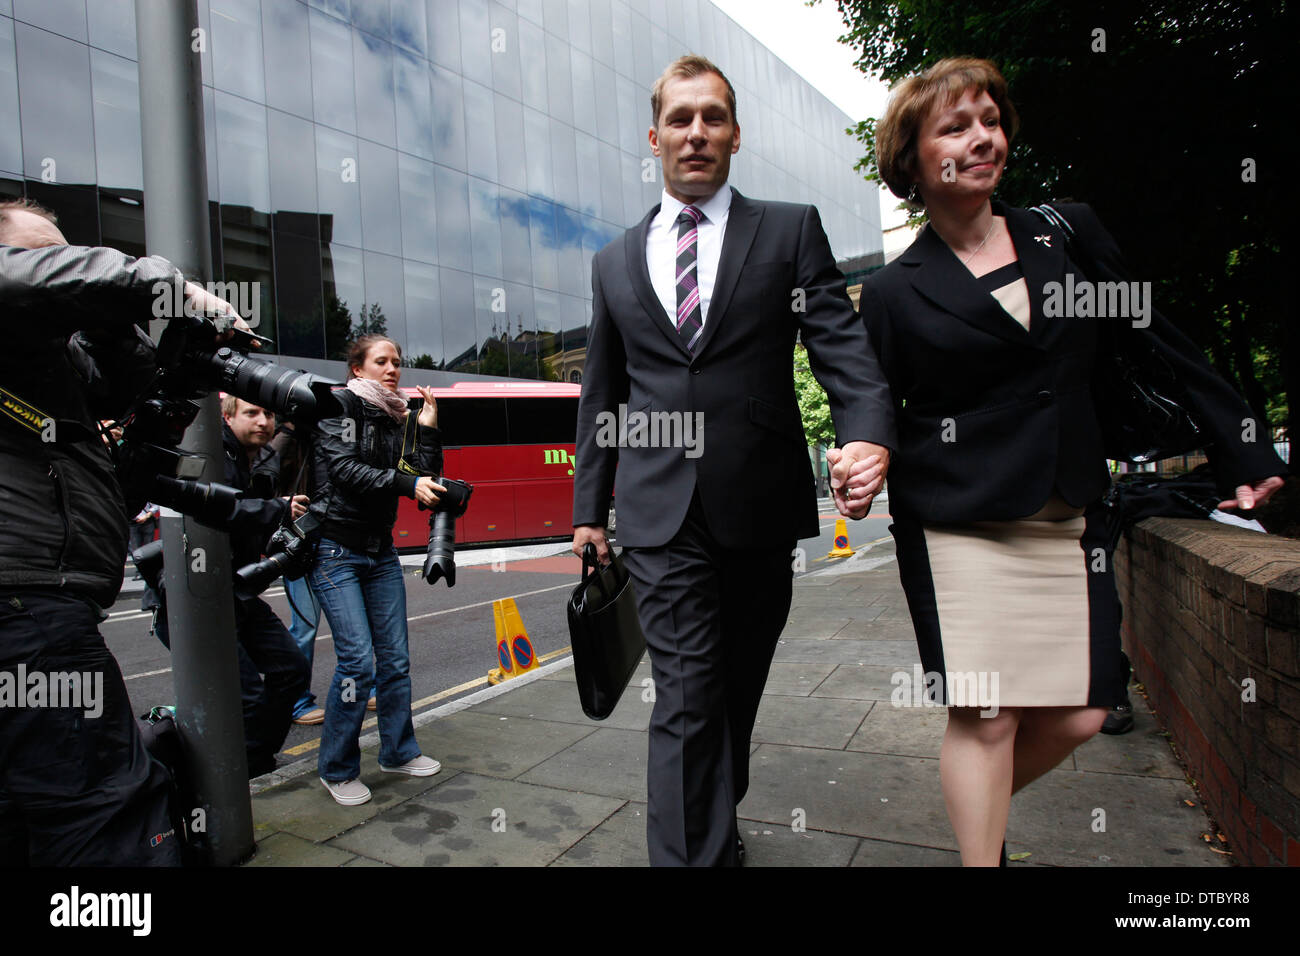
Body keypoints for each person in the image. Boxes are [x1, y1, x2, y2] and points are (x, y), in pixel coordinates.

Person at [850, 57, 1287, 866]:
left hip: (1067, 514)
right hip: (958, 521)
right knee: (984, 718)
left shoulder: (1068, 234)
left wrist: (1243, 442)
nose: (984, 138)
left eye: (991, 120)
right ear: (911, 159)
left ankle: (972, 798)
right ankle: (984, 852)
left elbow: (1157, 339)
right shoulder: (894, 292)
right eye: (957, 127)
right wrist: (858, 457)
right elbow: (870, 402)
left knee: (1084, 712)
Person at [571, 55, 896, 866]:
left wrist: (866, 429)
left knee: (731, 694)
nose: (696, 133)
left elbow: (841, 345)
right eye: (680, 119)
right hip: (656, 512)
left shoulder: (787, 230)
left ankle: (714, 814)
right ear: (654, 137)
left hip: (758, 503)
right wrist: (587, 512)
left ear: (736, 133)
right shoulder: (613, 262)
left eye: (713, 117)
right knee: (684, 695)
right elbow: (602, 395)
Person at [0, 198, 240, 865]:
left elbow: (123, 389)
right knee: (109, 818)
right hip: (28, 611)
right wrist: (159, 283)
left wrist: (112, 325)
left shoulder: (47, 360)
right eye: (38, 253)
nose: (57, 261)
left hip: (38, 605)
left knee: (27, 819)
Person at [309, 334, 446, 806]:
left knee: (396, 660)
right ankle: (338, 768)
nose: (393, 369)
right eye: (381, 361)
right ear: (358, 368)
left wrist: (427, 427)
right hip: (335, 550)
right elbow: (346, 470)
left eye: (397, 362)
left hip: (380, 552)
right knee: (357, 662)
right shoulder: (340, 406)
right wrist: (407, 482)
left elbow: (428, 475)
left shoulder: (398, 417)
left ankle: (398, 752)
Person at [219, 395, 312, 777]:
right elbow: (221, 508)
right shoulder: (214, 452)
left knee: (291, 670)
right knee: (247, 698)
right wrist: (278, 509)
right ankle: (235, 774)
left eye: (268, 414)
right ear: (227, 417)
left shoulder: (255, 458)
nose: (263, 421)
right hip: (202, 597)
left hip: (238, 592)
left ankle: (255, 764)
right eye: (252, 413)